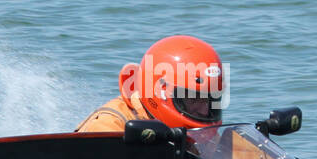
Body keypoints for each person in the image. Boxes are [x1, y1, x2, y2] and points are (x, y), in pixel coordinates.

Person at [75, 35, 225, 133]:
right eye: (194, 100)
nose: (204, 111)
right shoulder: (108, 127)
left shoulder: (203, 129)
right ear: (161, 92)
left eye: (209, 100)